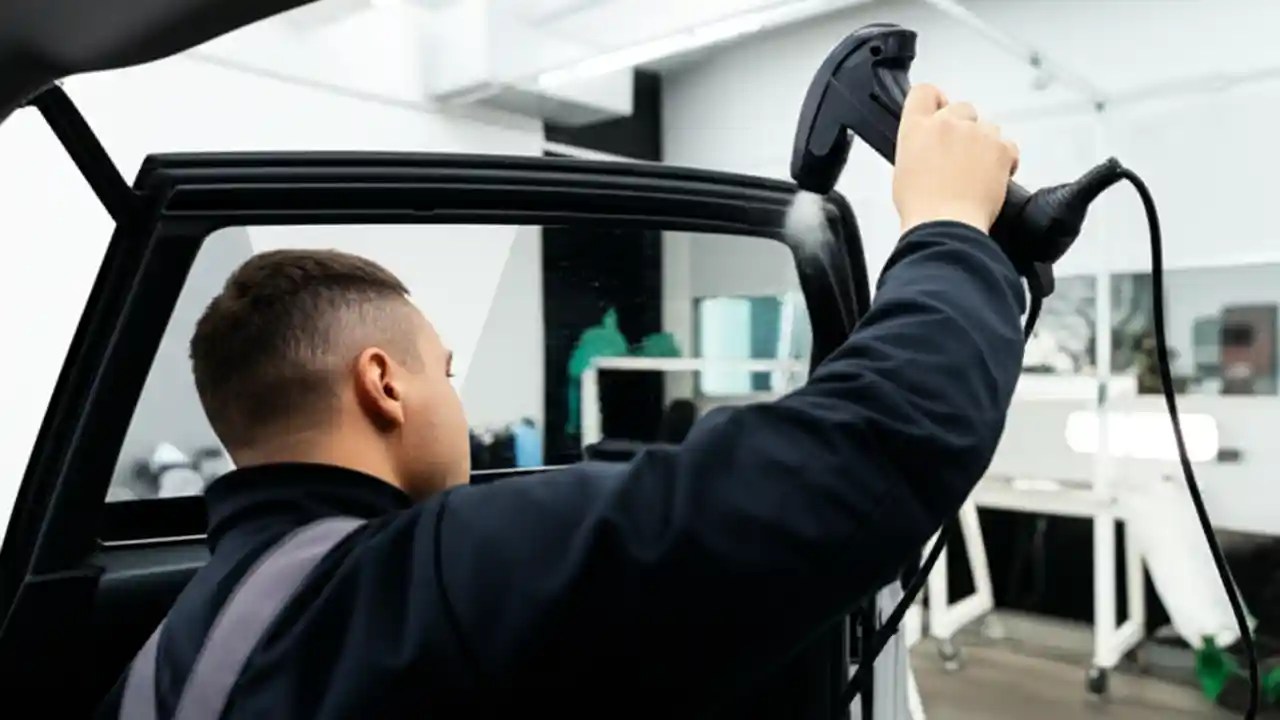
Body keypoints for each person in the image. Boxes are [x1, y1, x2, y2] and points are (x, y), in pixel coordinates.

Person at [96, 83, 1024, 717]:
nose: (454, 403)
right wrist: (946, 224)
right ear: (382, 385)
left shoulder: (169, 655)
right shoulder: (436, 578)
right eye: (444, 374)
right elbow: (871, 453)